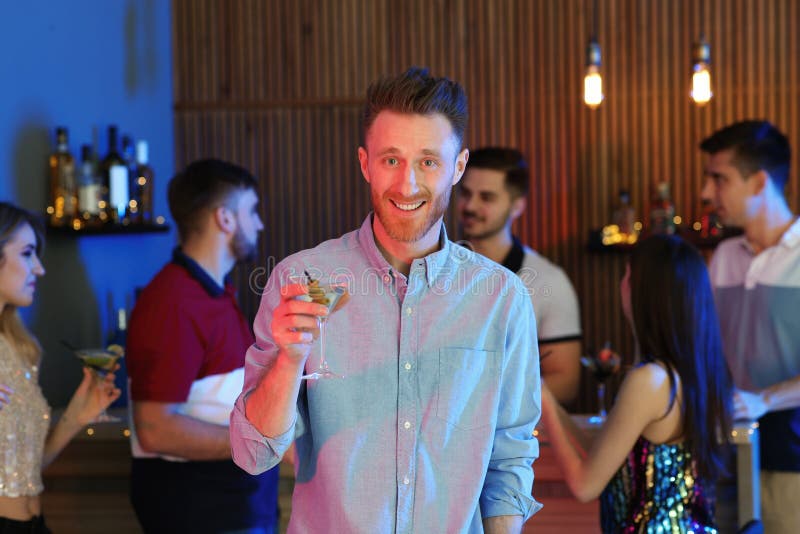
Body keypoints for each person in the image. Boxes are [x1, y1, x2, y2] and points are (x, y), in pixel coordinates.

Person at [230, 67, 542, 533]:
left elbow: (509, 459)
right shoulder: (302, 279)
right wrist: (289, 360)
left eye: (428, 162)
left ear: (458, 167)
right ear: (364, 163)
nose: (407, 184)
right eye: (391, 160)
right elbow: (252, 454)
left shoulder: (500, 297)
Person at [539, 235, 732, 533]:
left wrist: (541, 397)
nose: (622, 284)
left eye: (627, 274)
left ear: (644, 292)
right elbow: (603, 452)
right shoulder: (688, 371)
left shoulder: (649, 380)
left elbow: (584, 485)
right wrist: (546, 394)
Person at [126, 159, 279, 533]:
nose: (259, 223)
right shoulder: (174, 302)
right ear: (224, 219)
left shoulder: (213, 292)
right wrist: (265, 443)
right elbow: (155, 430)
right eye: (252, 211)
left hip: (234, 504)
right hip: (201, 510)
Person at [700, 119, 800, 533]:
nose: (706, 193)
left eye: (718, 179)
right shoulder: (723, 256)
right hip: (721, 456)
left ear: (759, 182)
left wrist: (763, 399)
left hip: (791, 459)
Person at [0, 202, 120, 533]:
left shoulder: (17, 345)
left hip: (33, 523)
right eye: (26, 253)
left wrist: (74, 419)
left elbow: (24, 471)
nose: (39, 269)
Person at [457, 147, 582, 404]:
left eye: (487, 197)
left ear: (517, 206)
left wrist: (483, 407)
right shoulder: (433, 269)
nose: (470, 206)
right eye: (466, 194)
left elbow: (566, 381)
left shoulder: (548, 281)